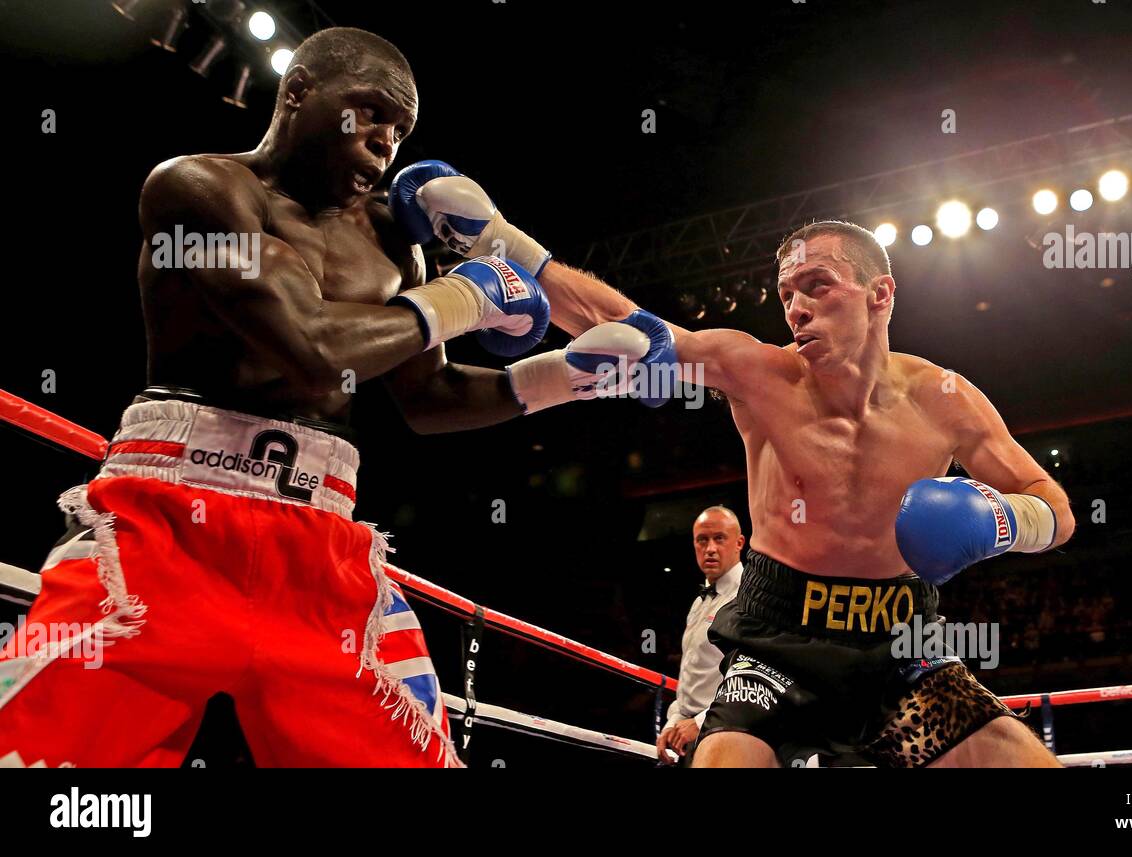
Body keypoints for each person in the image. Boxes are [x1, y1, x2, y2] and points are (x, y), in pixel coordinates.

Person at [0, 28, 667, 768]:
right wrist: (465, 294)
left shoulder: (392, 244)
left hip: (319, 547)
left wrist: (565, 376)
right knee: (47, 768)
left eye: (401, 129)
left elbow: (428, 395)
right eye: (371, 113)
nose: (385, 141)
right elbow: (310, 348)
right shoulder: (196, 188)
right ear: (298, 92)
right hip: (166, 525)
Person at [397, 168, 1076, 767]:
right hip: (779, 644)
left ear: (880, 294)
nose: (798, 306)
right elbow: (631, 331)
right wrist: (500, 238)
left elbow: (1055, 505)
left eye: (818, 286)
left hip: (902, 649)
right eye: (787, 294)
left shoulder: (944, 398)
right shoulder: (760, 373)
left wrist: (1003, 519)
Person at [657, 506, 745, 765]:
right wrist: (673, 722)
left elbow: (752, 676)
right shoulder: (699, 603)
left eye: (720, 538)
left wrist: (700, 721)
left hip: (729, 733)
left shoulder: (748, 599)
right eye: (702, 540)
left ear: (739, 543)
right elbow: (690, 679)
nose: (710, 548)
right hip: (693, 737)